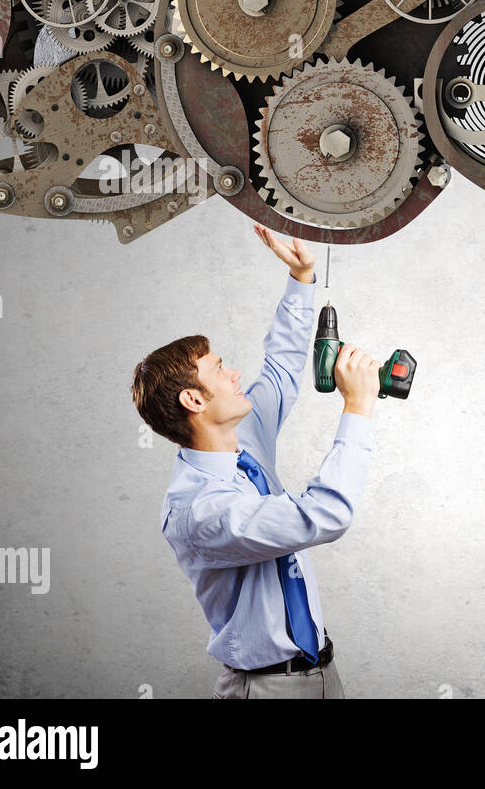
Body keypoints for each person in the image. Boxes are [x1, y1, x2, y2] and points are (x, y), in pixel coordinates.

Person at [130, 223, 382, 698]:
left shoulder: (242, 438)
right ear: (194, 400)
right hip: (266, 689)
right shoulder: (199, 513)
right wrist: (358, 408)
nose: (235, 372)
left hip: (324, 674)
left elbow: (283, 366)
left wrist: (302, 277)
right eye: (220, 369)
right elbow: (324, 515)